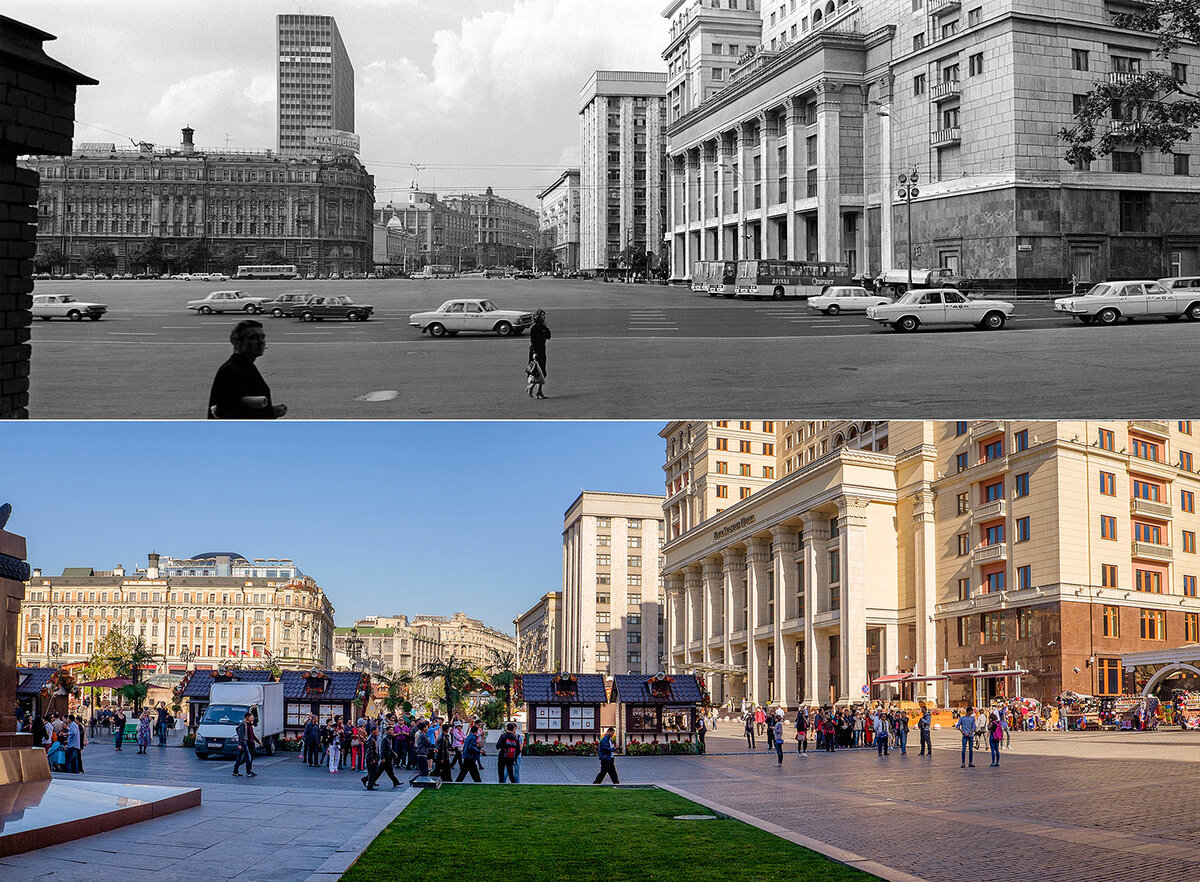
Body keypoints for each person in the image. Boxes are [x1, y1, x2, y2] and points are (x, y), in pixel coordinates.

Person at [207, 320, 288, 419]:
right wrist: (271, 412)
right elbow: (227, 412)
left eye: (262, 337)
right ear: (237, 344)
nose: (261, 342)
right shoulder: (231, 371)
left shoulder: (245, 366)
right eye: (253, 337)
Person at [527, 310, 551, 399]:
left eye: (544, 315)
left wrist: (545, 328)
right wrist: (534, 353)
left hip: (542, 350)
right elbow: (533, 341)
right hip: (535, 351)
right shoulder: (534, 328)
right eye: (542, 315)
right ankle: (530, 387)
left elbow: (548, 336)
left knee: (542, 372)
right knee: (536, 371)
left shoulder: (543, 327)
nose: (544, 317)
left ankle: (539, 391)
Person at [233, 711, 257, 778]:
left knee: (240, 757)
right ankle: (248, 772)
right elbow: (240, 734)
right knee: (248, 757)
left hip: (244, 742)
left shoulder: (247, 724)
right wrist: (239, 744)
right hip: (243, 742)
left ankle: (235, 771)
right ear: (247, 717)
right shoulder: (243, 724)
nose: (252, 719)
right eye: (251, 718)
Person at [361, 724, 381, 790]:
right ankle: (370, 785)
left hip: (374, 757)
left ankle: (365, 779)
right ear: (373, 731)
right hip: (371, 757)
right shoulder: (371, 739)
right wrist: (372, 759)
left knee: (374, 771)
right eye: (376, 730)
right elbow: (370, 749)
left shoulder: (374, 738)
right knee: (372, 772)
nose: (377, 731)